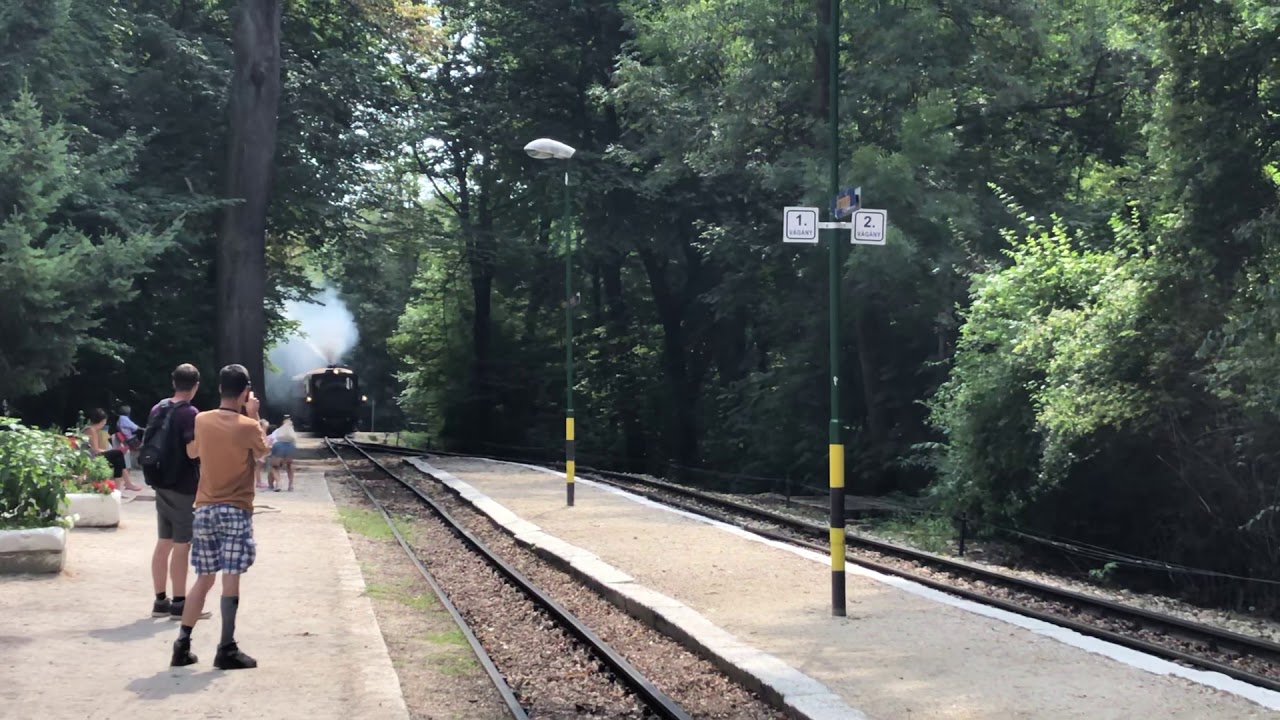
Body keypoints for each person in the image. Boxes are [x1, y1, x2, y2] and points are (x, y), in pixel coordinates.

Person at [171, 363, 268, 670]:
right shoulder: (247, 426)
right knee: (231, 578)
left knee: (204, 579)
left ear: (219, 389)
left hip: (205, 509)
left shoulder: (202, 419)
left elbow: (194, 452)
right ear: (244, 392)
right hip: (236, 509)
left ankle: (181, 645)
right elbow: (263, 452)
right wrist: (252, 415)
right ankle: (226, 648)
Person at [147, 364, 211, 622]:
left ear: (174, 382)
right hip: (182, 485)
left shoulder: (158, 408)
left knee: (164, 541)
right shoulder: (190, 413)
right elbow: (192, 452)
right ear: (195, 385)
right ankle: (179, 604)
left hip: (159, 481)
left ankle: (160, 601)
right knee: (182, 544)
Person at [83, 408, 141, 491]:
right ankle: (123, 485)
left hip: (90, 456)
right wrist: (111, 451)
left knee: (118, 454)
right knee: (118, 454)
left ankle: (124, 484)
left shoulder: (89, 429)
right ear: (103, 421)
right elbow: (95, 450)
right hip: (90, 458)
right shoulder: (91, 430)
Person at [267, 415, 298, 492]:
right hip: (290, 446)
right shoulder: (292, 432)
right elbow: (295, 442)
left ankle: (278, 483)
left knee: (274, 467)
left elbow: (272, 440)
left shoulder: (278, 431)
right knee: (289, 465)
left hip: (278, 446)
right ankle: (291, 485)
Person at [114, 405, 141, 471]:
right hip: (130, 439)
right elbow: (135, 427)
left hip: (125, 438)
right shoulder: (124, 419)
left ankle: (133, 463)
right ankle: (136, 464)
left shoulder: (120, 419)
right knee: (143, 447)